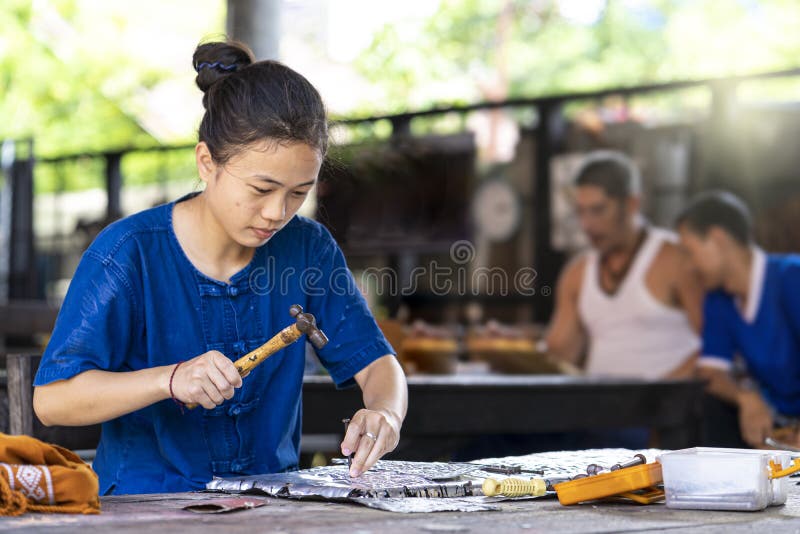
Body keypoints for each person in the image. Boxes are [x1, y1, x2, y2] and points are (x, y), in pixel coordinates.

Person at [32, 40, 408, 494]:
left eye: (298, 192)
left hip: (271, 505)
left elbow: (378, 364)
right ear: (207, 162)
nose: (277, 212)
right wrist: (170, 379)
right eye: (261, 189)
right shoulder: (128, 253)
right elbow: (53, 400)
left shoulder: (308, 249)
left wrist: (385, 413)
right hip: (144, 509)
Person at [547, 151, 703, 379]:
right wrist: (510, 347)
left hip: (671, 398)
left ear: (631, 204)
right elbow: (559, 355)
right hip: (600, 400)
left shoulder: (676, 260)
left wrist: (659, 393)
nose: (586, 224)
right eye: (580, 212)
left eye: (598, 210)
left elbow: (716, 349)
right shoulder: (577, 273)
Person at [677, 191, 800, 448]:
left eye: (689, 252)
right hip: (779, 425)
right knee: (708, 401)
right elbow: (711, 372)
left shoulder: (791, 276)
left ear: (718, 239)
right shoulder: (718, 298)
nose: (688, 266)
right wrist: (745, 397)